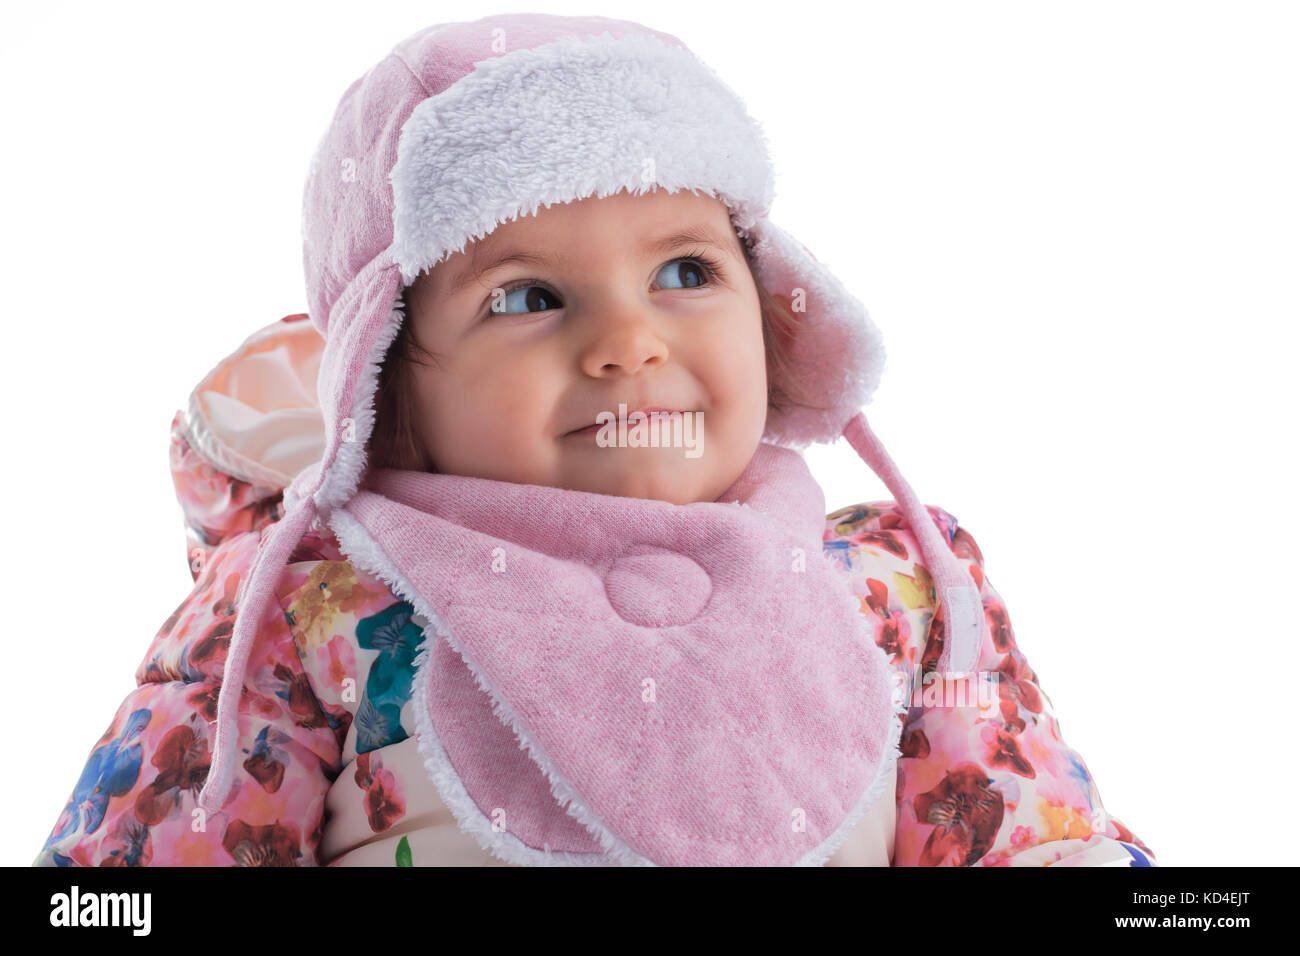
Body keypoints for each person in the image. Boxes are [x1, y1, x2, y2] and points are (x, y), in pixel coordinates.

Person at [33, 12, 1156, 867]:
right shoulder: (304, 610)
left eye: (684, 272)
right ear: (390, 389)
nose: (627, 340)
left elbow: (1041, 842)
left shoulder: (901, 590)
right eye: (525, 297)